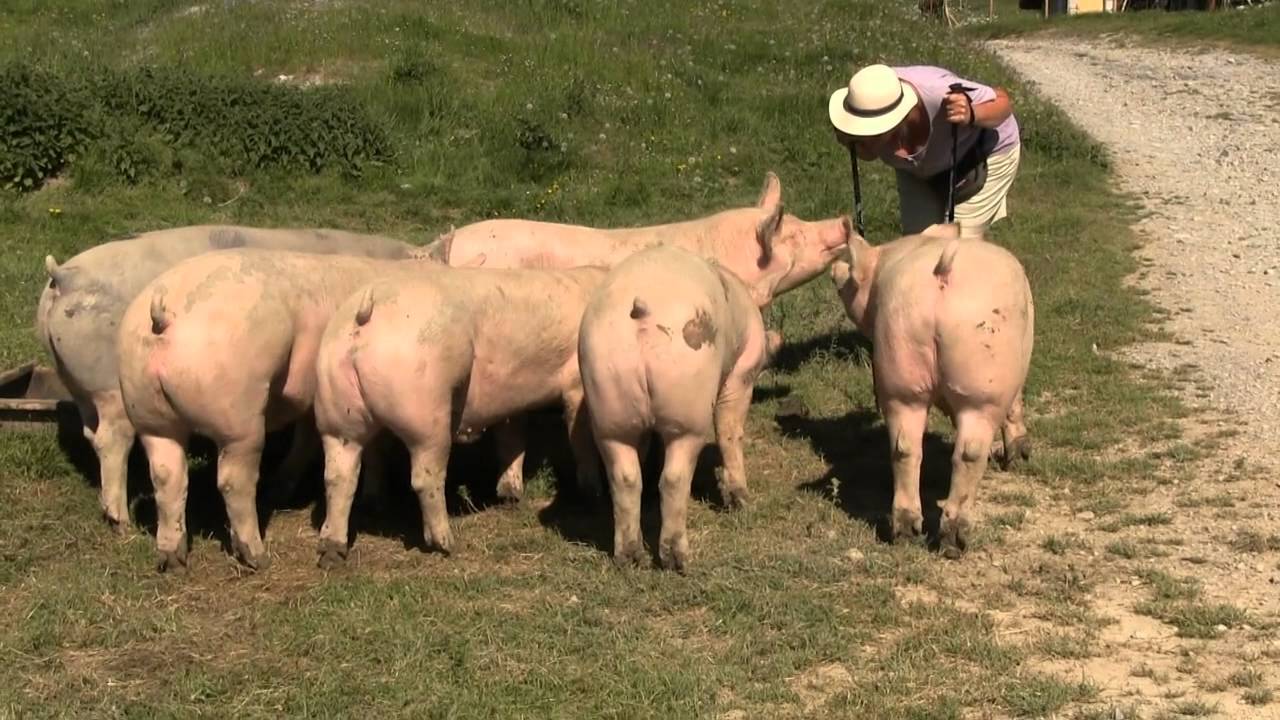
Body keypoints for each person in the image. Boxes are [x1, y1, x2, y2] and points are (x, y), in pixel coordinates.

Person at [828, 63, 1021, 239]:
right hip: (918, 169)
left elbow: (1003, 102)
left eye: (871, 130)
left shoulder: (939, 93)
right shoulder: (864, 102)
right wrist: (852, 142)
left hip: (980, 156)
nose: (863, 135)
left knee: (954, 249)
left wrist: (972, 113)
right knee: (916, 247)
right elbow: (869, 153)